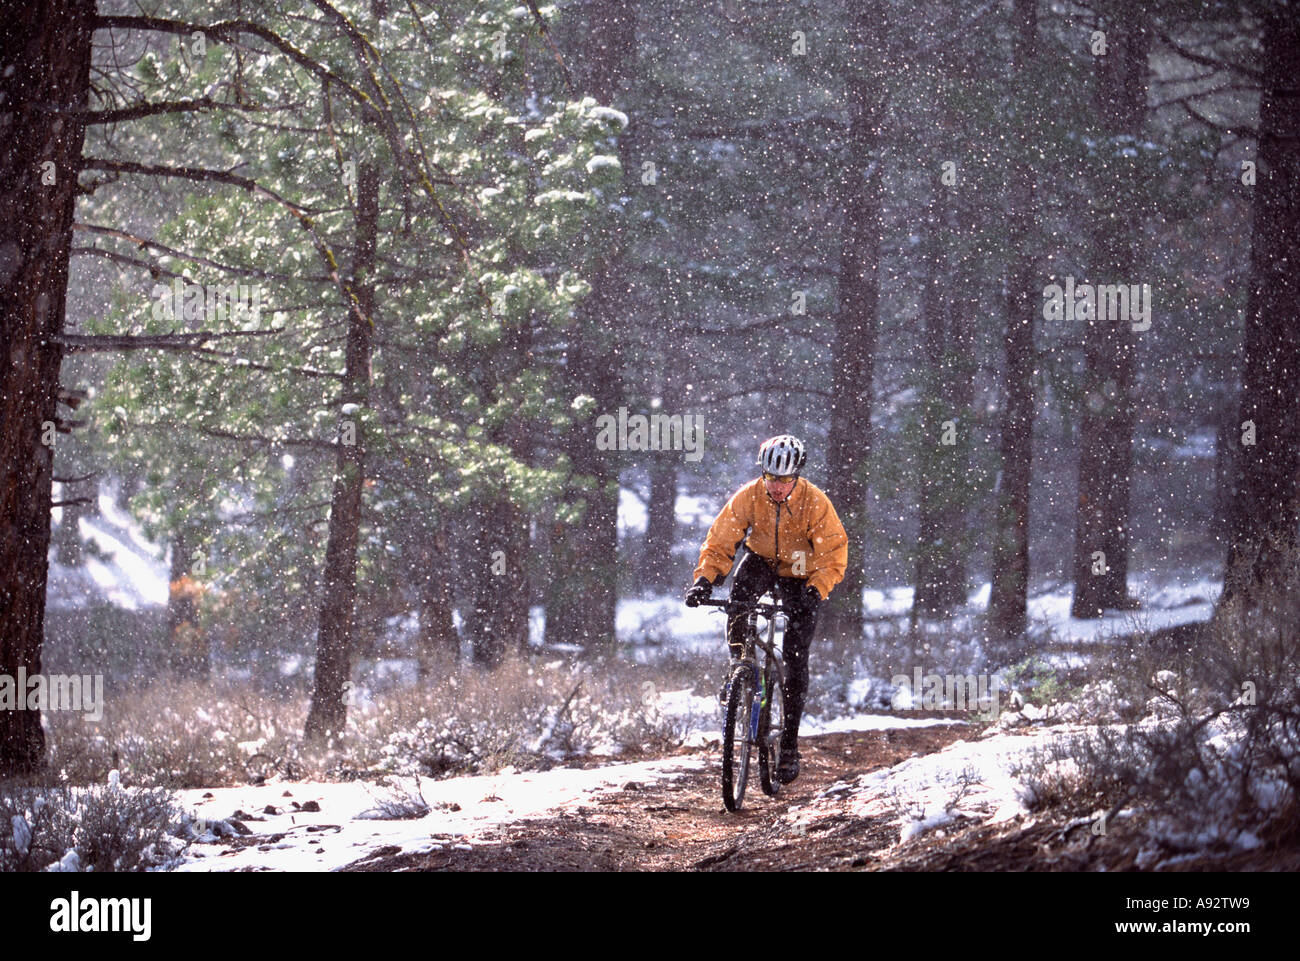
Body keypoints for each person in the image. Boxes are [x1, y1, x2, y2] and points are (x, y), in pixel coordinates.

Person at [684, 434, 848, 783]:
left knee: (795, 657)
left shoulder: (815, 502)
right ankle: (741, 668)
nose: (776, 487)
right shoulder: (749, 496)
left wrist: (816, 590)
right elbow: (720, 539)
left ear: (797, 476)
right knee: (737, 604)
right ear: (763, 474)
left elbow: (833, 553)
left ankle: (788, 744)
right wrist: (705, 579)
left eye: (785, 480)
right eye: (771, 478)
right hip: (759, 560)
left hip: (800, 567)